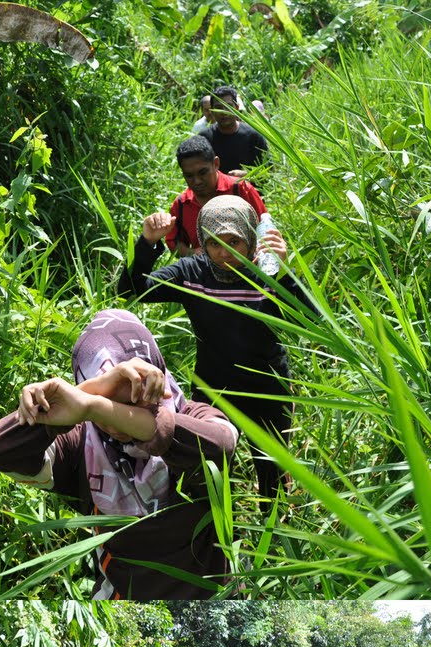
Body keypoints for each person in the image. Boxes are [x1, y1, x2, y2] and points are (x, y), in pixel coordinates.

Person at [0, 309, 238, 599]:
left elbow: (221, 447)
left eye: (130, 402)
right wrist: (85, 396)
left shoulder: (192, 419)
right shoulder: (82, 447)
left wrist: (98, 407)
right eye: (104, 401)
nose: (114, 424)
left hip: (215, 600)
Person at [118, 194, 313, 500]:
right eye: (214, 243)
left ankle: (275, 524)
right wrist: (148, 243)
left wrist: (285, 272)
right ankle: (219, 525)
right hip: (214, 389)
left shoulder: (268, 272)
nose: (223, 253)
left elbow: (311, 320)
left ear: (250, 238)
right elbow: (131, 291)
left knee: (271, 470)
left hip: (267, 390)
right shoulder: (192, 273)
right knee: (210, 472)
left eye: (234, 242)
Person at [139, 135, 267, 257]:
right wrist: (192, 253)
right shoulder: (182, 204)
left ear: (216, 164)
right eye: (189, 176)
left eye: (203, 172)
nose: (197, 181)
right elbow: (174, 242)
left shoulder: (240, 189)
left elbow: (265, 228)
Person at [204, 86, 269, 176]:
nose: (224, 112)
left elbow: (269, 171)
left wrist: (246, 175)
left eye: (228, 106)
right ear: (212, 111)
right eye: (218, 107)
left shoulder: (254, 136)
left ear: (237, 108)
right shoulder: (205, 138)